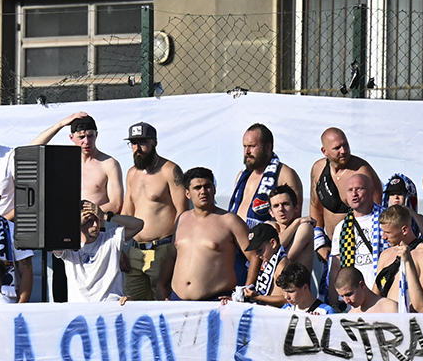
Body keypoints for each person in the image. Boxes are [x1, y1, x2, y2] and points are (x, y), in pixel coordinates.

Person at [120, 122, 187, 301]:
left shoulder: (170, 170)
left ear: (154, 142)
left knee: (163, 307)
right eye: (133, 143)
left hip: (163, 249)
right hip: (135, 251)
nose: (137, 148)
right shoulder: (131, 173)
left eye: (142, 142)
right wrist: (119, 248)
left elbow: (183, 212)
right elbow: (127, 213)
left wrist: (174, 249)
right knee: (132, 308)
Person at [167, 167, 248, 301]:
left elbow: (255, 257)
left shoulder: (230, 220)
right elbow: (171, 255)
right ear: (188, 193)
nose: (203, 191)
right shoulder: (181, 219)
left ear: (214, 189)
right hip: (178, 299)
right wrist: (161, 284)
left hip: (216, 300)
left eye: (207, 186)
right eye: (197, 188)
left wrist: (242, 292)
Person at [31, 113, 124, 212]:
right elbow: (31, 150)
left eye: (90, 136)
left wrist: (86, 214)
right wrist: (60, 124)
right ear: (71, 138)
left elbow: (116, 205)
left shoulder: (108, 164)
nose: (87, 141)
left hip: (94, 224)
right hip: (66, 223)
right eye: (81, 137)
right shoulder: (63, 163)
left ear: (96, 135)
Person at [56, 201, 141, 304]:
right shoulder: (68, 243)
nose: (96, 225)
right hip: (79, 309)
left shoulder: (111, 238)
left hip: (109, 306)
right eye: (89, 221)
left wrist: (106, 216)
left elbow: (138, 224)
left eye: (97, 219)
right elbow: (50, 244)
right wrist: (74, 225)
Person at [227, 123, 302, 229]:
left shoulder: (284, 174)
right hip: (236, 237)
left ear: (268, 147)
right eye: (245, 146)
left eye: (252, 146)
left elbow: (294, 217)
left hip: (266, 240)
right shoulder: (242, 175)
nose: (247, 151)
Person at [308, 127, 380, 233]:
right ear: (325, 151)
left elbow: (377, 209)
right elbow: (315, 207)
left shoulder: (362, 171)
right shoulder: (318, 169)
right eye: (337, 148)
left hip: (355, 241)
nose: (343, 151)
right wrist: (319, 238)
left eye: (345, 145)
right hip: (329, 242)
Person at [374, 206, 423, 313]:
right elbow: (375, 294)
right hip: (385, 319)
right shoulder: (385, 255)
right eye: (383, 232)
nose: (383, 237)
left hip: (409, 320)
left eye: (388, 233)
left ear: (404, 230)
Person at [328, 171, 385, 288]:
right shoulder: (341, 228)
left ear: (371, 191)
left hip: (381, 294)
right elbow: (335, 268)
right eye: (350, 190)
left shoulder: (386, 220)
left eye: (359, 189)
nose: (354, 194)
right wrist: (334, 303)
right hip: (352, 296)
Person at [261, 184, 327, 282]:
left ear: (296, 208)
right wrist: (297, 222)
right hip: (268, 292)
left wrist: (297, 222)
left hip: (295, 293)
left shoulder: (304, 228)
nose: (281, 209)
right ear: (271, 212)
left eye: (285, 204)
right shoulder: (270, 227)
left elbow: (278, 259)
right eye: (276, 206)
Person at [330, 265, 396, 315]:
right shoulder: (352, 315)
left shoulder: (390, 308)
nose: (346, 301)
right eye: (342, 296)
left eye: (349, 294)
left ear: (362, 285)